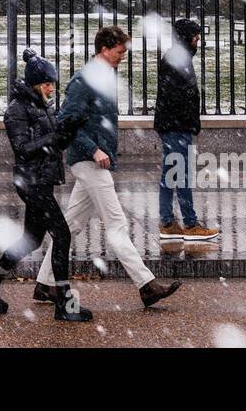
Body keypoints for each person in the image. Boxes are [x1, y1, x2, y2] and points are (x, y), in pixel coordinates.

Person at [33, 26, 181, 309]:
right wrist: (94, 148)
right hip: (89, 161)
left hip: (95, 159)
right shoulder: (84, 80)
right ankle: (146, 285)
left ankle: (44, 284)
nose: (123, 56)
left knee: (72, 225)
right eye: (119, 51)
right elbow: (66, 122)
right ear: (104, 49)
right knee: (117, 225)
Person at [0, 49, 92, 323]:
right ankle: (63, 303)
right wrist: (54, 135)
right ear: (35, 83)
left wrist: (71, 128)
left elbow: (54, 143)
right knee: (61, 235)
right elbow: (22, 148)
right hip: (32, 182)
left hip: (42, 180)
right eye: (47, 83)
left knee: (32, 240)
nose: (51, 88)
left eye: (52, 84)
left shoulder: (42, 105)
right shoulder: (17, 109)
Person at [153, 19, 220, 242]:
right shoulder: (177, 59)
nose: (197, 40)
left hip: (172, 124)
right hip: (176, 126)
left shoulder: (176, 57)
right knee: (180, 174)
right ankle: (190, 224)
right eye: (195, 36)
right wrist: (190, 122)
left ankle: (167, 222)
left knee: (171, 174)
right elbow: (179, 98)